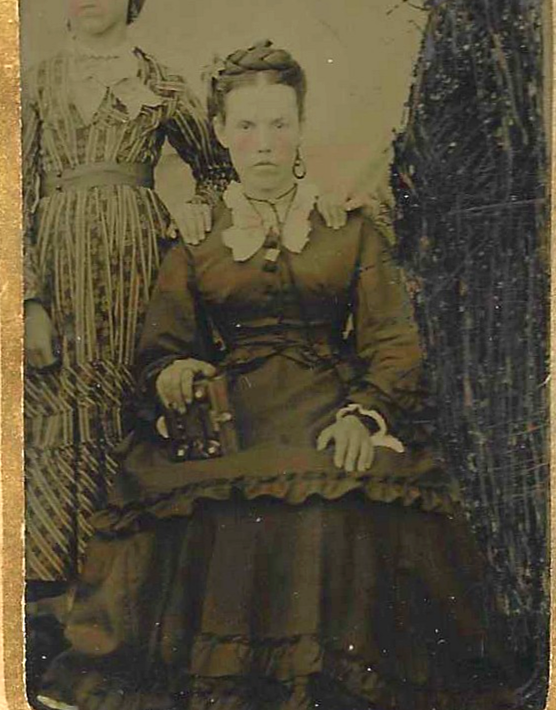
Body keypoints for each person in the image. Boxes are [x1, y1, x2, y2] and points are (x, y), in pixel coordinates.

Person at [38, 41, 516, 710]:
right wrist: (175, 371)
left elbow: (393, 339)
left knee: (341, 490)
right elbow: (162, 345)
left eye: (279, 123)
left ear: (299, 126)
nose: (263, 143)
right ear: (220, 131)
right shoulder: (198, 236)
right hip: (233, 411)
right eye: (246, 125)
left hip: (330, 403)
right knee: (212, 499)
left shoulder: (346, 225)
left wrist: (365, 415)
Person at [22, 0, 237, 681]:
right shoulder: (36, 84)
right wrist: (27, 299)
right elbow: (12, 190)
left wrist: (197, 230)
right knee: (56, 429)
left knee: (132, 422)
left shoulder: (161, 81)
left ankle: (133, 620)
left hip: (140, 275)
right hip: (59, 281)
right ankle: (56, 628)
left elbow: (218, 170)